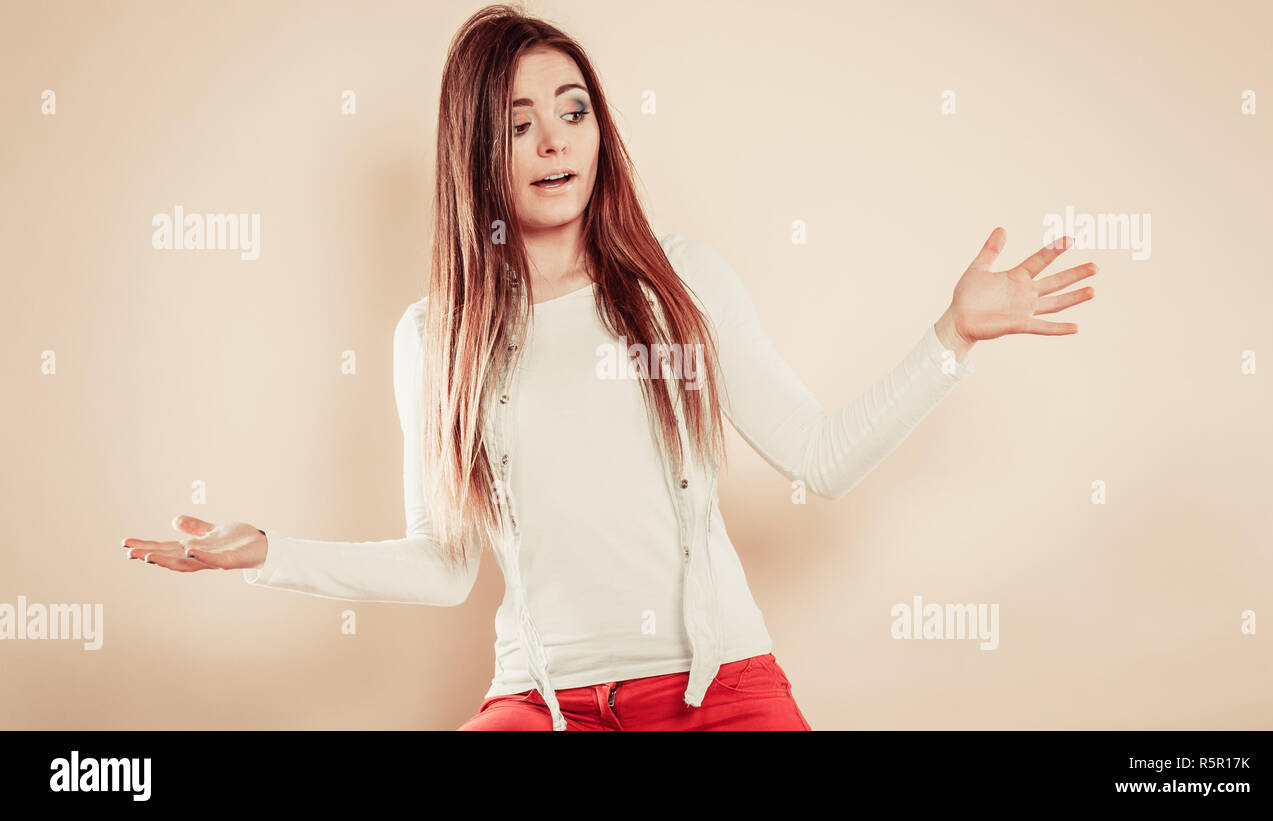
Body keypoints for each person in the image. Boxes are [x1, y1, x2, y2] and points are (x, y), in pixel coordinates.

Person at [122, 3, 1097, 731]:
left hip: (715, 692)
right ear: (477, 154)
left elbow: (820, 456)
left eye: (573, 110)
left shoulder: (682, 283)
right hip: (542, 706)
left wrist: (952, 337)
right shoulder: (435, 337)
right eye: (516, 123)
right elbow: (444, 564)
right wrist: (269, 555)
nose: (554, 141)